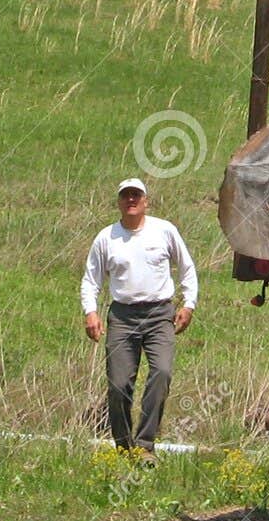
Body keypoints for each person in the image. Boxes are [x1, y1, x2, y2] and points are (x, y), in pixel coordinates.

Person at [80, 178, 197, 459]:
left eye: (136, 196)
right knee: (119, 385)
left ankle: (145, 446)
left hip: (160, 315)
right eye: (126, 196)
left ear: (146, 201)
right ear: (119, 202)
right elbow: (91, 280)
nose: (131, 200)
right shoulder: (106, 238)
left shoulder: (164, 231)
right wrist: (91, 311)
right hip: (122, 317)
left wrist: (188, 304)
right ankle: (122, 448)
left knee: (162, 373)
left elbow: (187, 269)